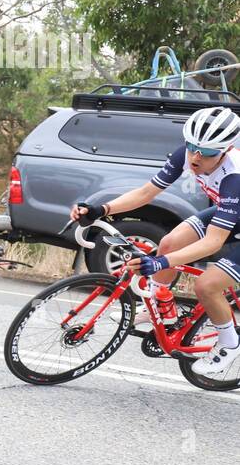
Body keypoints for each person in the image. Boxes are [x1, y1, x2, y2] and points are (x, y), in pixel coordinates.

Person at [73, 106, 240, 377]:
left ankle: (230, 343)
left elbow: (212, 243)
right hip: (233, 213)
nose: (196, 157)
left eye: (207, 152)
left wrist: (160, 264)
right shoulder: (187, 155)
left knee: (206, 285)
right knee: (170, 243)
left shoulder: (234, 177)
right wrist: (101, 209)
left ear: (225, 149)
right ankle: (158, 307)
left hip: (234, 210)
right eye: (192, 146)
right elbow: (146, 192)